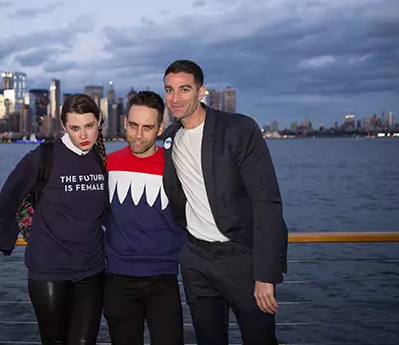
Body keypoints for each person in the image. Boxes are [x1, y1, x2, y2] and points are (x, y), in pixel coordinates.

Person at [161, 60, 289, 345]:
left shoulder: (238, 129)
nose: (175, 98)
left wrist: (266, 273)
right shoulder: (171, 138)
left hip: (241, 260)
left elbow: (266, 201)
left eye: (184, 89)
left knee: (260, 339)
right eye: (169, 90)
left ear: (201, 91)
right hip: (196, 261)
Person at [0, 93, 109, 345]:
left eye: (89, 126)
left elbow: (107, 210)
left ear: (99, 120)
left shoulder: (101, 158)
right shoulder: (44, 155)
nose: (84, 135)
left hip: (92, 269)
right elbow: (11, 192)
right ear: (64, 127)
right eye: (75, 128)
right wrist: (4, 238)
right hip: (49, 271)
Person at [103, 91, 186, 345]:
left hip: (163, 278)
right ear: (125, 121)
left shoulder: (177, 166)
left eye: (147, 127)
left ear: (160, 128)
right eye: (133, 125)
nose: (138, 135)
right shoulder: (108, 164)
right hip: (118, 279)